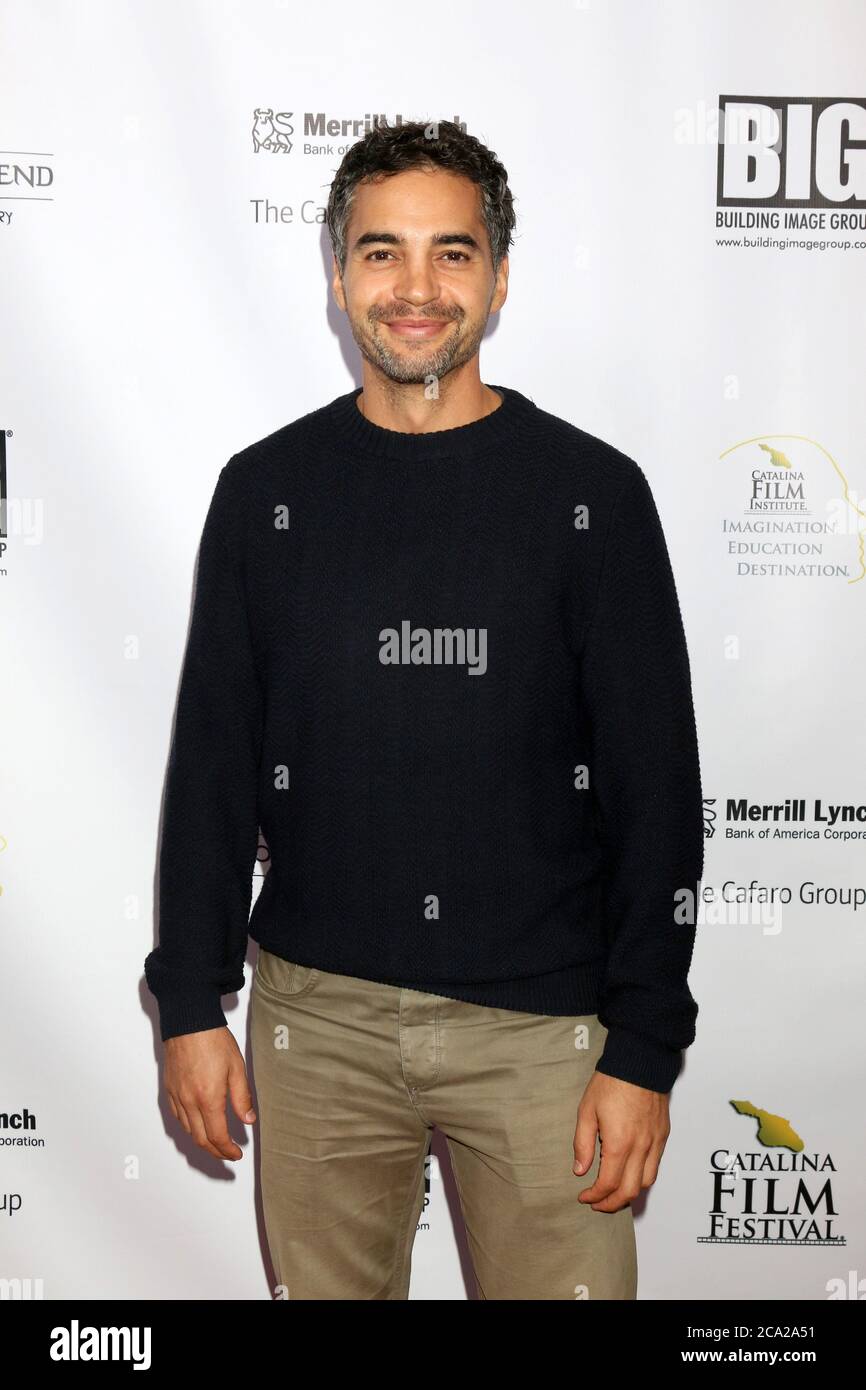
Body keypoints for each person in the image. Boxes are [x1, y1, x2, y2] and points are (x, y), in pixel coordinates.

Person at [145, 119, 704, 1301]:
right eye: (380, 252)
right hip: (316, 1025)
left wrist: (644, 1048)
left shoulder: (592, 496)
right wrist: (191, 1002)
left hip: (544, 1034)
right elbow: (212, 765)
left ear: (499, 279)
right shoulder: (265, 494)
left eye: (451, 254)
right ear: (339, 276)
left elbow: (656, 790)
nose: (414, 288)